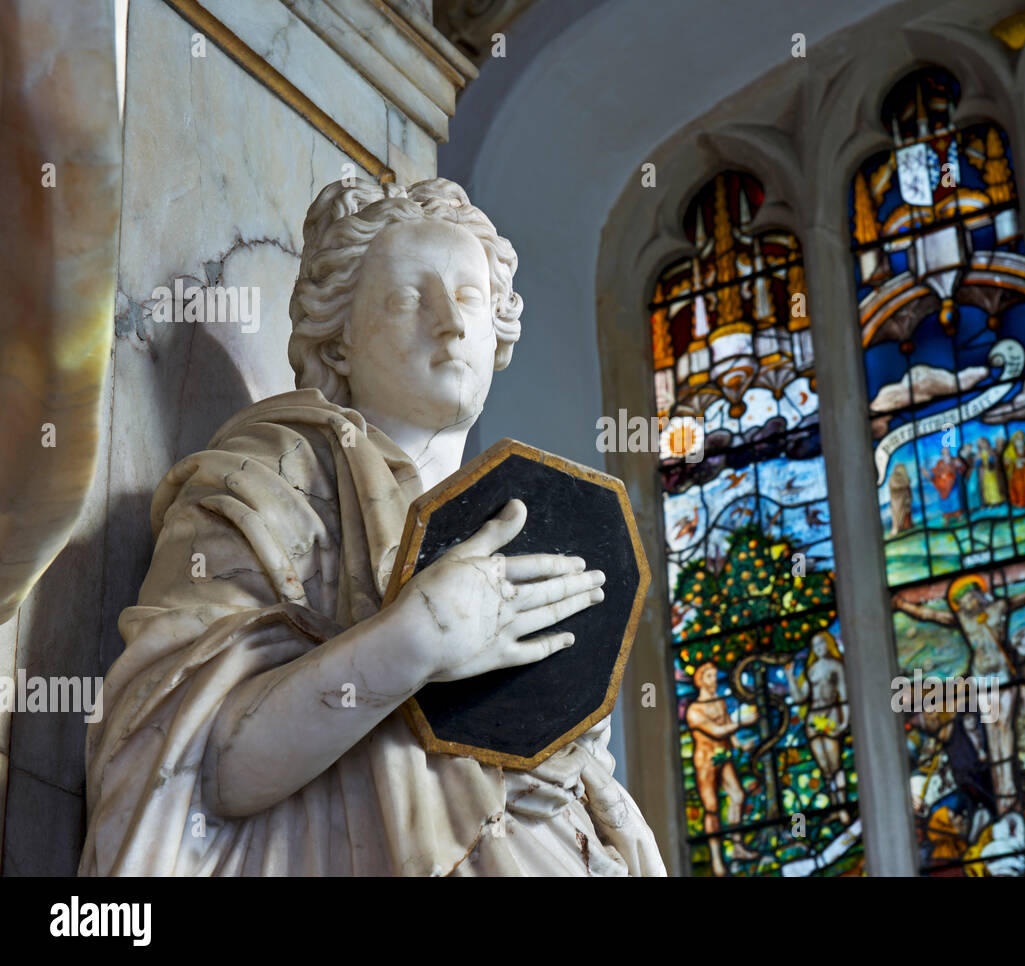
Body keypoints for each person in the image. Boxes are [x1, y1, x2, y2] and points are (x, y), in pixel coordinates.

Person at [80, 178, 665, 876]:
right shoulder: (264, 486)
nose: (449, 323)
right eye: (409, 299)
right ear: (339, 346)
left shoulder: (518, 520)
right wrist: (415, 638)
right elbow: (196, 763)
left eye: (469, 298)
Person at [892, 554, 1025, 815]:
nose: (967, 601)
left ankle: (1012, 794)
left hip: (1001, 678)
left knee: (1004, 732)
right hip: (981, 679)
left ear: (978, 593)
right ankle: (1002, 797)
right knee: (992, 737)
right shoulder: (963, 619)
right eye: (962, 599)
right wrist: (905, 606)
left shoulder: (998, 609)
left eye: (970, 595)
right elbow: (931, 615)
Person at [686, 661, 759, 875]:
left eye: (715, 676)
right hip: (706, 760)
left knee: (737, 795)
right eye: (709, 676)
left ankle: (737, 847)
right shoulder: (694, 710)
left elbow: (728, 733)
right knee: (711, 809)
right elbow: (717, 731)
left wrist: (740, 743)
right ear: (700, 680)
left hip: (724, 755)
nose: (713, 680)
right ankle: (717, 859)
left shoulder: (720, 703)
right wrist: (742, 721)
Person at [786, 631, 852, 823]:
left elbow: (844, 694)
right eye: (815, 646)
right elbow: (800, 698)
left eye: (822, 644)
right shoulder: (811, 670)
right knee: (825, 768)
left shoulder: (837, 666)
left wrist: (844, 721)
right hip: (813, 720)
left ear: (829, 644)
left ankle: (844, 806)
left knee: (835, 763)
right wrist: (791, 677)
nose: (819, 649)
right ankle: (835, 807)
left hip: (830, 714)